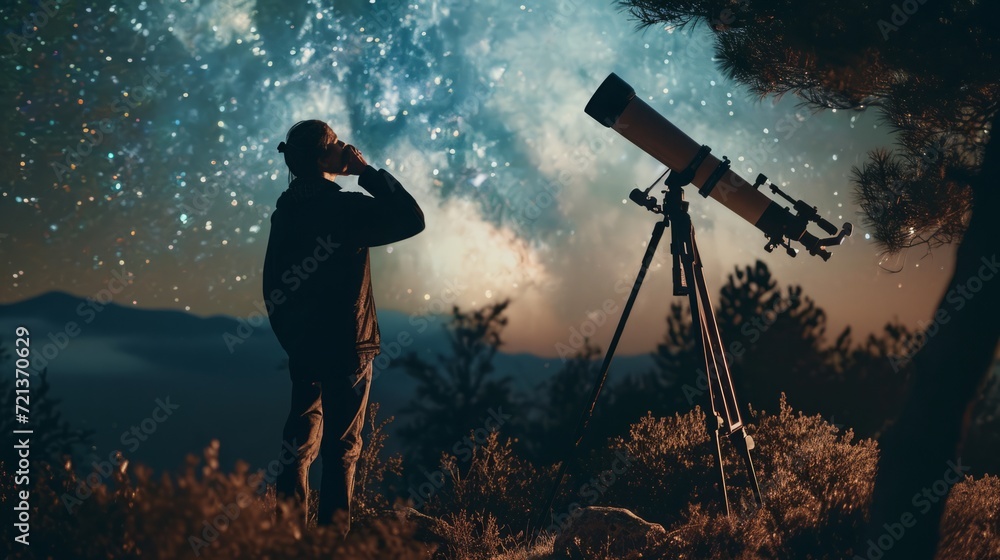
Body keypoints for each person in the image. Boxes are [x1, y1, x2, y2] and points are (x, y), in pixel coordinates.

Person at [262, 119, 424, 533]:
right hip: (348, 347)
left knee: (298, 444)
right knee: (342, 448)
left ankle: (288, 538)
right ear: (322, 157)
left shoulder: (286, 213)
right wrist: (365, 172)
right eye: (335, 144)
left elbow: (273, 287)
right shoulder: (342, 209)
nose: (344, 148)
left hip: (304, 347)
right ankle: (333, 544)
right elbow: (411, 218)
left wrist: (293, 339)